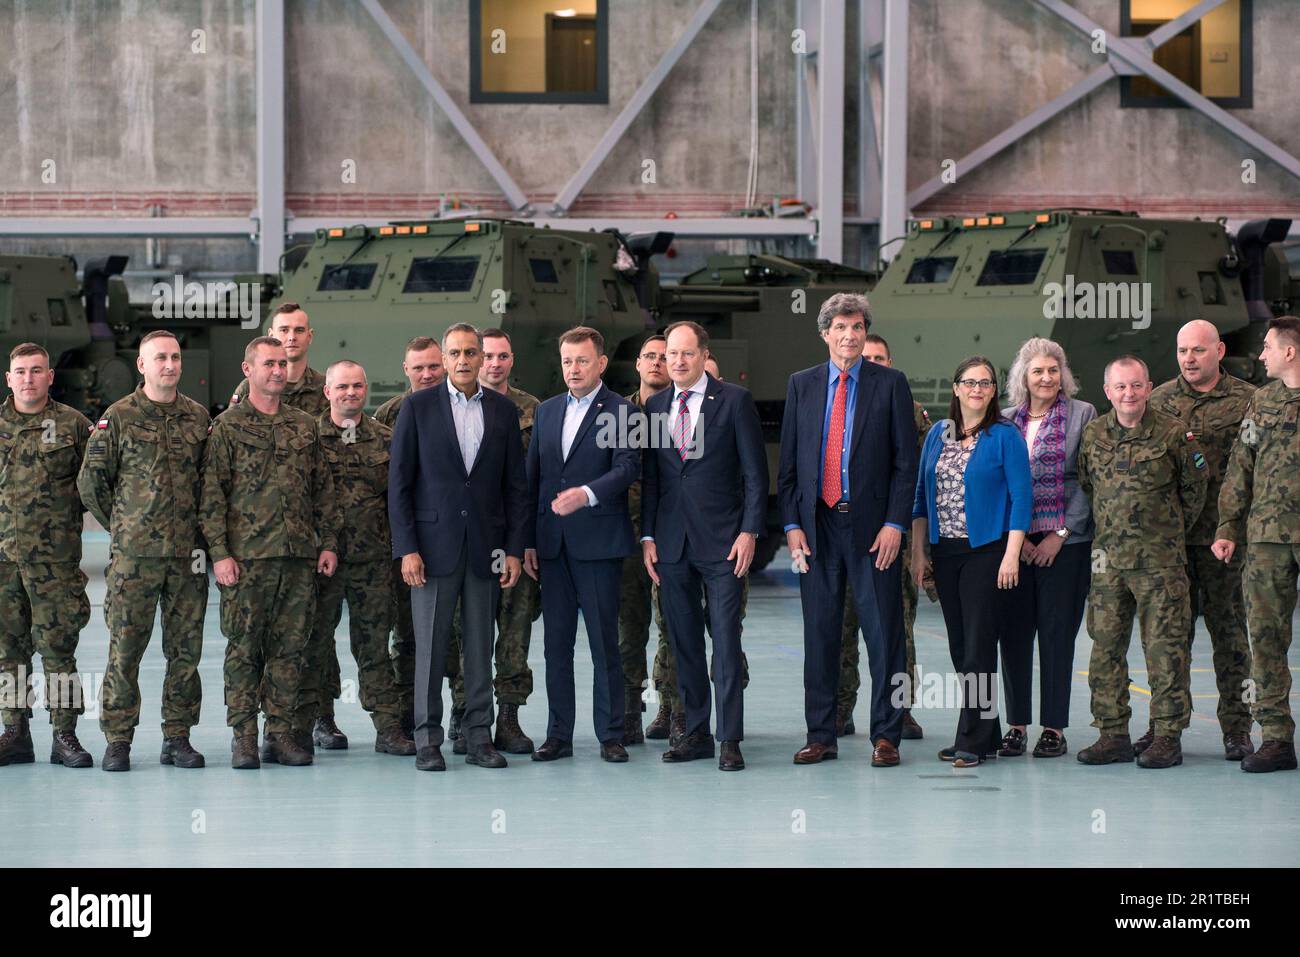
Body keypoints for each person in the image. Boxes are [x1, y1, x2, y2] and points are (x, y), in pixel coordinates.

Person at [779, 295, 919, 768]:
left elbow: (906, 465)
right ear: (825, 334)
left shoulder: (891, 384)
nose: (850, 335)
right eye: (841, 326)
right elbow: (790, 467)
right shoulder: (802, 385)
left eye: (858, 326)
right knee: (819, 635)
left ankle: (887, 735)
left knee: (885, 636)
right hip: (815, 532)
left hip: (872, 532)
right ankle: (820, 735)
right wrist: (793, 526)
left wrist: (896, 523)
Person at [388, 324, 527, 772]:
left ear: (483, 358)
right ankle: (428, 739)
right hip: (430, 550)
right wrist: (407, 547)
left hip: (485, 548)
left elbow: (515, 489)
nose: (465, 361)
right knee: (428, 647)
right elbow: (400, 486)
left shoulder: (504, 413)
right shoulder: (417, 408)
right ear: (444, 359)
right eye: (456, 353)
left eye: (473, 353)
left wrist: (511, 549)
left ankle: (479, 734)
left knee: (479, 644)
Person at [200, 337, 340, 768]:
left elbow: (323, 491)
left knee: (290, 649)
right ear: (248, 369)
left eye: (282, 363)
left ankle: (279, 733)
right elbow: (212, 496)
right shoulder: (227, 427)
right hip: (246, 561)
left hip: (298, 559)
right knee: (244, 649)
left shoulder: (304, 426)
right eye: (268, 364)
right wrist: (220, 554)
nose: (278, 371)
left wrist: (328, 542)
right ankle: (243, 736)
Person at [78, 331, 210, 771]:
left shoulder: (197, 418)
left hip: (186, 558)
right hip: (134, 558)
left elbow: (210, 483)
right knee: (125, 649)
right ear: (142, 365)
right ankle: (118, 739)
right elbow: (91, 482)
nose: (169, 365)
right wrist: (124, 526)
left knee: (186, 651)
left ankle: (178, 736)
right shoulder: (117, 417)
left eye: (174, 357)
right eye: (160, 358)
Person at [641, 321, 767, 771]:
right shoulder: (654, 407)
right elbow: (654, 480)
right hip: (672, 545)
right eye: (669, 354)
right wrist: (649, 537)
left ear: (703, 355)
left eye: (685, 353)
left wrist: (749, 532)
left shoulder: (734, 401)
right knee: (684, 643)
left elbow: (755, 474)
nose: (675, 361)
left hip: (724, 545)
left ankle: (730, 738)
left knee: (726, 643)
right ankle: (695, 733)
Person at [1076, 355, 1206, 769]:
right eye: (1120, 387)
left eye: (1136, 386)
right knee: (1105, 648)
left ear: (1148, 388)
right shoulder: (1094, 434)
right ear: (1107, 391)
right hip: (1107, 562)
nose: (1128, 394)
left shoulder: (1173, 434)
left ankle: (1167, 736)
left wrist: (1165, 533)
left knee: (1165, 651)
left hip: (1160, 563)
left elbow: (1195, 491)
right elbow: (1087, 483)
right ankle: (1112, 733)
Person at [524, 327, 639, 762]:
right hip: (552, 548)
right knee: (556, 645)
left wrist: (587, 494)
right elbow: (533, 481)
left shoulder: (622, 411)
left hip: (599, 545)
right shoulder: (547, 411)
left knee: (604, 643)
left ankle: (611, 735)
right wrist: (529, 541)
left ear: (601, 364)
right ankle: (558, 735)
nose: (574, 369)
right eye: (568, 361)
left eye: (583, 361)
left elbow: (627, 467)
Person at [911, 356, 1030, 768]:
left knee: (979, 646)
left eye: (986, 382)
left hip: (988, 551)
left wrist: (1012, 554)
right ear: (956, 388)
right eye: (969, 382)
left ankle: (972, 740)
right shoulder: (936, 437)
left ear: (993, 391)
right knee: (961, 647)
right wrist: (919, 550)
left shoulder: (1004, 436)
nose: (977, 388)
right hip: (946, 553)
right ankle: (989, 732)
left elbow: (1021, 498)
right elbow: (920, 498)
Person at [1150, 320, 1257, 761]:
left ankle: (1238, 730)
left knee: (1231, 638)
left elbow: (1254, 470)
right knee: (1166, 640)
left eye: (1197, 350)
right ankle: (1164, 730)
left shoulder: (1249, 400)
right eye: (1182, 351)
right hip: (1171, 544)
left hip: (1224, 542)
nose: (1188, 359)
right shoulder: (1158, 401)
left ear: (1219, 351)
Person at [302, 360, 415, 757]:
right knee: (315, 645)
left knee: (373, 648)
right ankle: (318, 720)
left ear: (366, 390)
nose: (350, 393)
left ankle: (388, 727)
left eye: (357, 386)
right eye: (342, 387)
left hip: (373, 563)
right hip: (321, 563)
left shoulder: (386, 439)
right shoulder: (307, 438)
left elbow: (398, 502)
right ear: (327, 392)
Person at [440, 328, 541, 756]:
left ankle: (510, 717)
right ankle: (464, 714)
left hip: (513, 540)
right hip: (468, 540)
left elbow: (528, 484)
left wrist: (523, 543)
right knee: (467, 632)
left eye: (500, 356)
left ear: (507, 360)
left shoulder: (531, 410)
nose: (493, 363)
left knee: (514, 633)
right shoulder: (445, 406)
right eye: (489, 355)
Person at [998, 338, 1097, 759]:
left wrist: (1061, 532)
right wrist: (1014, 540)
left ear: (1063, 375)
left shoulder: (1083, 414)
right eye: (1037, 371)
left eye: (1053, 370)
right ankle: (1016, 726)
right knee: (1014, 636)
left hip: (1066, 546)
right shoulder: (1002, 421)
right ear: (1024, 376)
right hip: (1014, 546)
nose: (1046, 378)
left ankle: (1053, 728)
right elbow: (997, 483)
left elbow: (1089, 479)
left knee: (1057, 636)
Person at [1213, 316, 1300, 773]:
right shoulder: (1261, 402)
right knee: (1266, 641)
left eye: (1267, 347)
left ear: (1290, 351)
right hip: (1266, 539)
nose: (1260, 354)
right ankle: (1276, 739)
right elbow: (1239, 468)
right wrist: (1227, 527)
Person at [0, 344, 93, 768]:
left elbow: (97, 486)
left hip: (54, 565)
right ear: (9, 378)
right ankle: (15, 733)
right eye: (21, 371)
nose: (28, 379)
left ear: (50, 376)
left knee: (59, 652)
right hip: (3, 563)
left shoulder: (73, 426)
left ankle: (65, 735)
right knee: (8, 651)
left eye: (37, 371)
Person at [838, 333, 933, 740]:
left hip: (895, 537)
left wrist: (917, 547)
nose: (871, 362)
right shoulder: (837, 402)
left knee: (898, 630)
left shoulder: (909, 411)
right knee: (842, 626)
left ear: (889, 364)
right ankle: (841, 707)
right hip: (844, 535)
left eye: (879, 357)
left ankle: (901, 709)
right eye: (866, 357)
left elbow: (918, 478)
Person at [374, 336, 445, 737]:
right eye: (418, 368)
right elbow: (393, 483)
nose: (427, 374)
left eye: (433, 366)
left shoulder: (462, 407)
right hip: (406, 544)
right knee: (407, 634)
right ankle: (407, 714)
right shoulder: (390, 414)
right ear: (406, 370)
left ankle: (460, 716)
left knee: (455, 637)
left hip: (450, 540)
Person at [618, 335, 672, 743]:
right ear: (637, 364)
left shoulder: (685, 410)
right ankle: (628, 711)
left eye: (663, 356)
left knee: (671, 625)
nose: (656, 363)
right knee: (628, 627)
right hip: (625, 537)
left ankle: (671, 708)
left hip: (671, 536)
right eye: (649, 356)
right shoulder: (617, 413)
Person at [232, 302, 328, 416]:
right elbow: (230, 429)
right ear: (271, 335)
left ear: (310, 336)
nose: (292, 337)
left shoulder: (327, 389)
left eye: (299, 330)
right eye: (284, 330)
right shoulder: (250, 388)